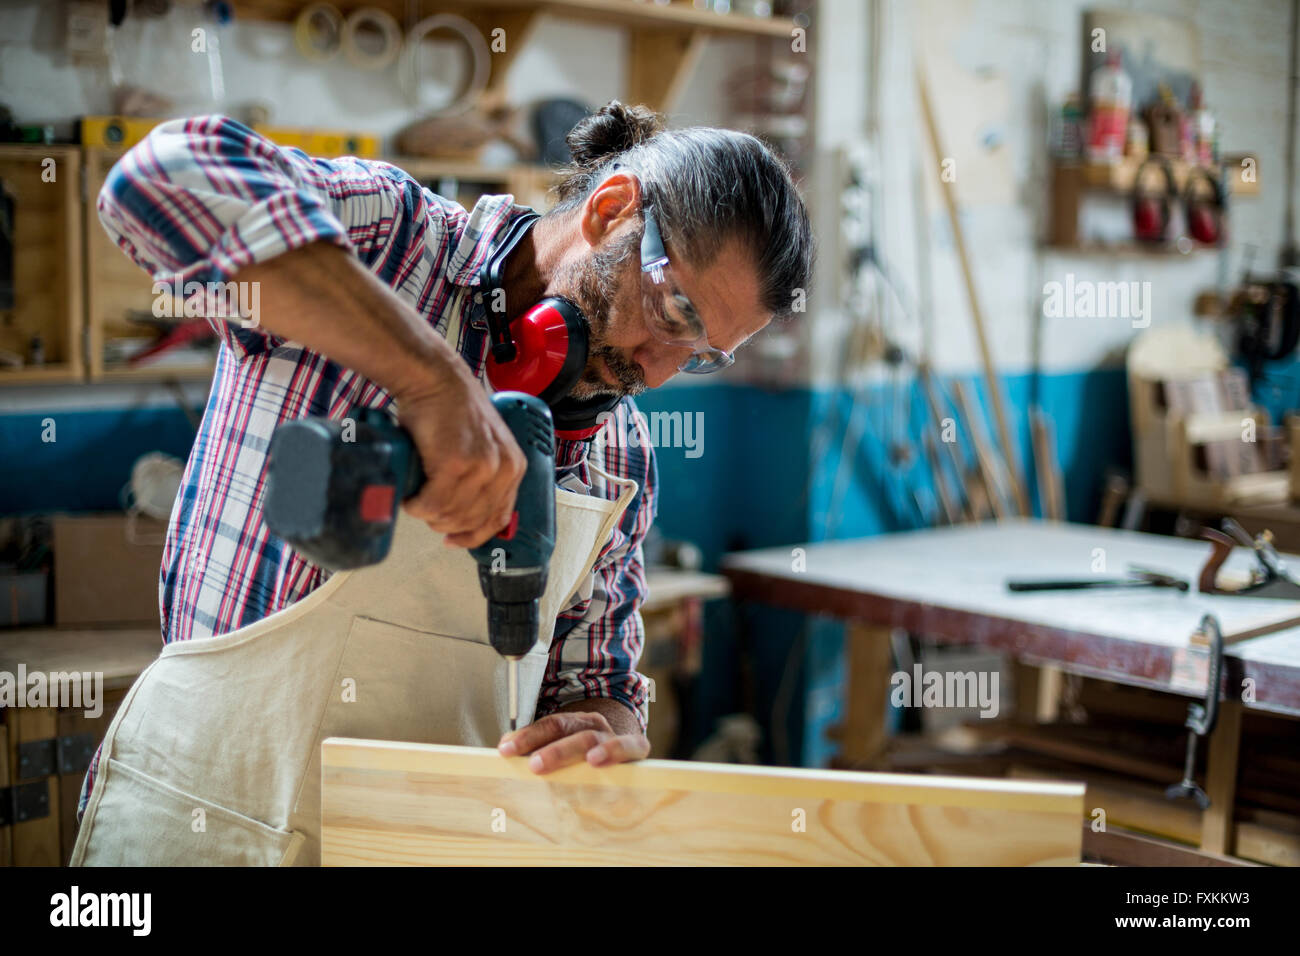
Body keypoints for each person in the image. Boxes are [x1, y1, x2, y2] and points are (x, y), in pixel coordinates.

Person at [78, 100, 814, 820]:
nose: (655, 372)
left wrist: (608, 726)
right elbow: (157, 179)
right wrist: (427, 376)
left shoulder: (619, 454)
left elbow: (596, 680)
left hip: (420, 840)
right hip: (202, 812)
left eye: (700, 357)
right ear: (612, 210)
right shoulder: (391, 243)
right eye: (673, 314)